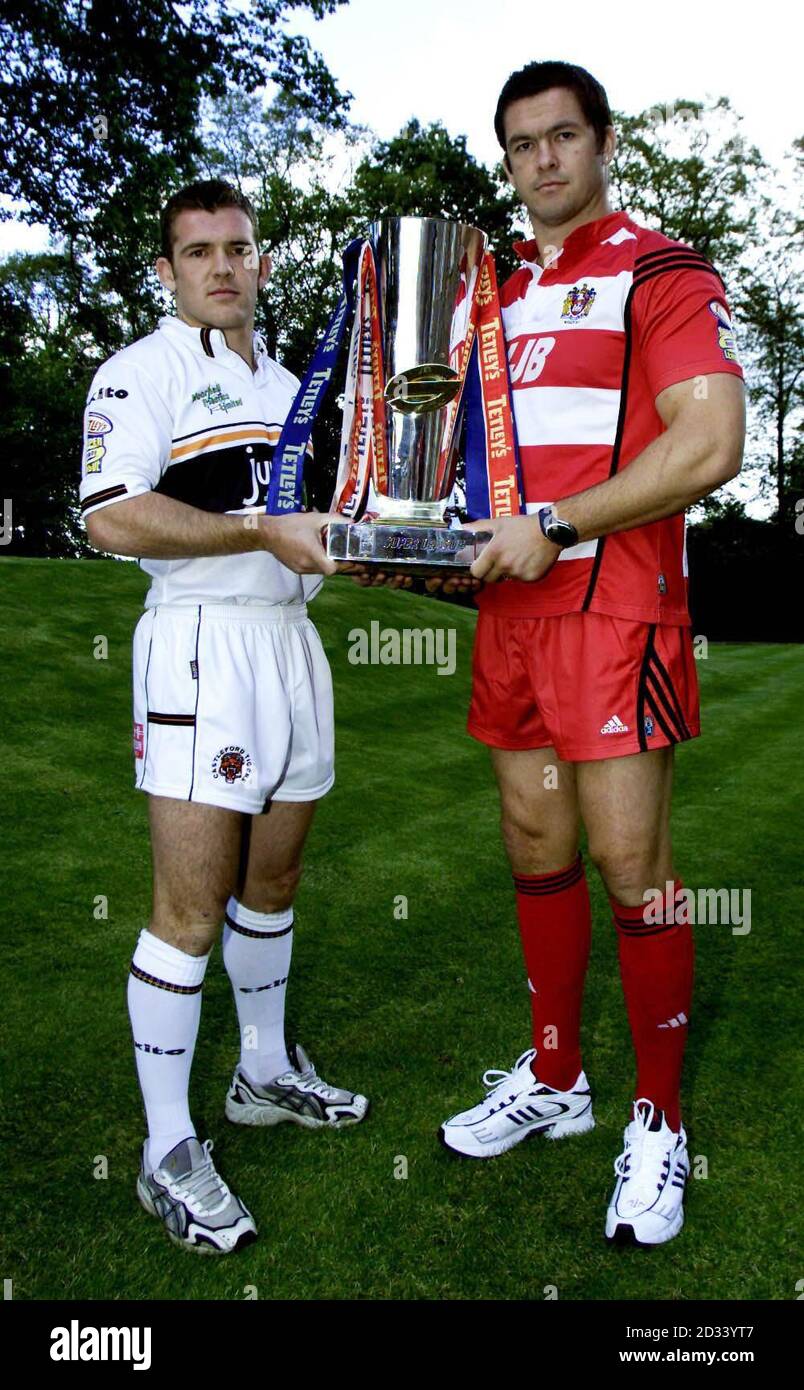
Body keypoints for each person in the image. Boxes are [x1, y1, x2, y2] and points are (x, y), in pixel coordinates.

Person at [438, 61, 745, 1248]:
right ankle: (559, 1078)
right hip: (511, 607)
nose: (544, 160)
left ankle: (660, 1121)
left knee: (633, 860)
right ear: (508, 162)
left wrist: (560, 524)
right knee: (533, 839)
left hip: (613, 603)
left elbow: (710, 441)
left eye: (564, 136)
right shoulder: (490, 293)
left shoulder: (661, 270)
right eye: (522, 145)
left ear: (603, 143)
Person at [80, 179, 368, 1257]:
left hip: (291, 644)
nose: (222, 267)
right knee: (188, 910)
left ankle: (260, 1071)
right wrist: (256, 526)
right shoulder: (140, 372)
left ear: (260, 260)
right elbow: (111, 516)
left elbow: (317, 527)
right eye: (198, 252)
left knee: (275, 881)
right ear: (167, 271)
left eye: (239, 249)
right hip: (201, 647)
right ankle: (166, 1148)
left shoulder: (293, 386)